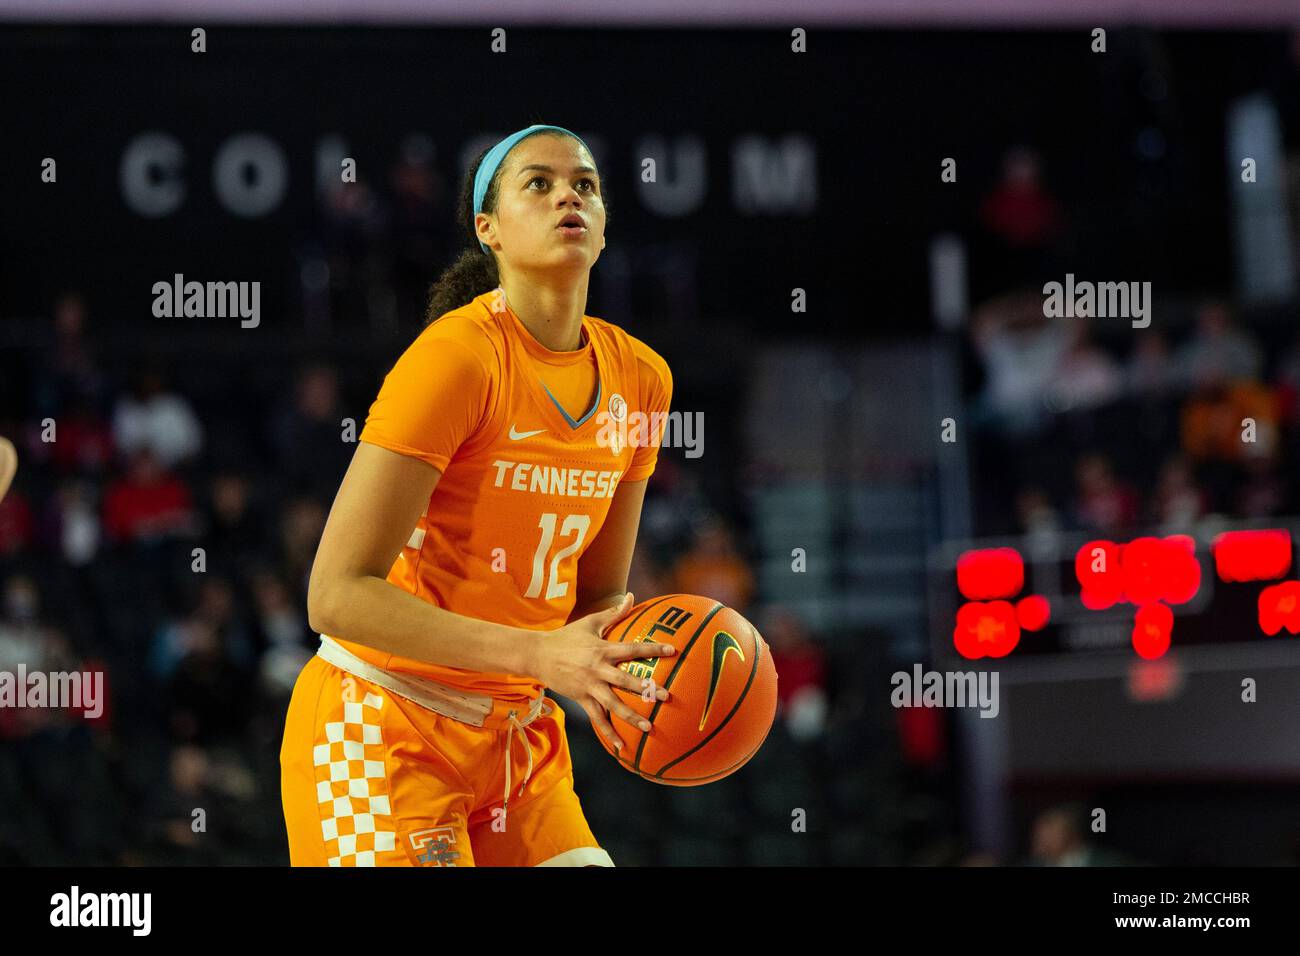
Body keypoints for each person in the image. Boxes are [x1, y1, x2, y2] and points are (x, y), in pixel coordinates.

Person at [281, 124, 676, 868]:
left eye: (586, 184)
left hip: (518, 737)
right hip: (384, 722)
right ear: (487, 229)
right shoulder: (457, 360)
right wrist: (540, 653)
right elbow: (334, 595)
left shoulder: (643, 380)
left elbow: (597, 601)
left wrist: (657, 677)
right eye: (539, 182)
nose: (569, 194)